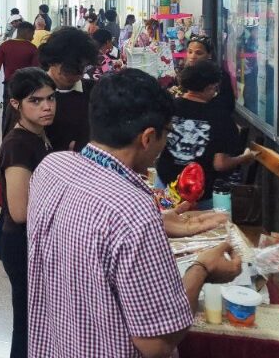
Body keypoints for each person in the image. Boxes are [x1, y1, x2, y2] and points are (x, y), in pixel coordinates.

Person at [27, 69, 239, 358]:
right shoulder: (132, 210)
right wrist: (201, 269)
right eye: (167, 134)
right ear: (148, 137)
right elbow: (157, 343)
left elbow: (86, 236)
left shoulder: (52, 168)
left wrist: (156, 224)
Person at [0, 68, 57, 358]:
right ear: (15, 104)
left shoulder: (38, 134)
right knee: (27, 323)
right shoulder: (17, 145)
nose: (47, 106)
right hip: (22, 244)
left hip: (34, 241)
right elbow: (20, 211)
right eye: (35, 100)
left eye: (51, 98)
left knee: (37, 320)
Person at [157, 60, 257, 207]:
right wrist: (245, 157)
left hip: (165, 184)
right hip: (200, 196)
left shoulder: (169, 107)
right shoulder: (220, 117)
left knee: (163, 219)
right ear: (210, 87)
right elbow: (220, 164)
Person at [37, 27, 100, 152]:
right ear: (53, 61)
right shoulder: (31, 94)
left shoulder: (95, 92)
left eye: (83, 67)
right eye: (71, 68)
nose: (79, 74)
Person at [0, 22, 39, 136]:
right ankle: (23, 138)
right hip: (27, 87)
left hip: (9, 85)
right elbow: (35, 71)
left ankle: (5, 140)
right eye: (32, 34)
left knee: (7, 114)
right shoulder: (32, 48)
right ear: (27, 32)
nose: (32, 37)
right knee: (25, 114)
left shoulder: (5, 45)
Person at [176, 35, 236, 110]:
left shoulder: (220, 75)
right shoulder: (182, 71)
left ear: (209, 55)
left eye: (199, 53)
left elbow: (228, 103)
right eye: (190, 52)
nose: (192, 56)